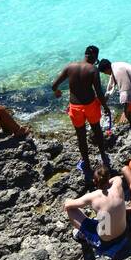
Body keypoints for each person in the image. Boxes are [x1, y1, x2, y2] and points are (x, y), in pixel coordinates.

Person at [52, 46, 111, 176]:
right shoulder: (93, 70)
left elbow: (54, 85)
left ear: (85, 54)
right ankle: (103, 156)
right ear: (95, 57)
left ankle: (86, 163)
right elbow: (99, 92)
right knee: (97, 130)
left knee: (81, 136)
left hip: (75, 107)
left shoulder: (70, 67)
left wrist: (57, 92)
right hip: (90, 105)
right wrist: (106, 107)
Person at [63, 165, 130, 251]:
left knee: (71, 210)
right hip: (123, 232)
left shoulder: (92, 197)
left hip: (106, 242)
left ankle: (84, 236)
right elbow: (116, 177)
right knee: (105, 217)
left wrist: (67, 200)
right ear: (108, 177)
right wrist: (106, 182)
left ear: (94, 181)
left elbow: (67, 205)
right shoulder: (117, 184)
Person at [99, 58, 131, 130]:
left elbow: (126, 91)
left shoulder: (118, 71)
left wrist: (125, 111)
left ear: (107, 69)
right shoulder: (115, 66)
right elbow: (111, 85)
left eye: (104, 73)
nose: (106, 74)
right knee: (130, 111)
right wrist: (104, 101)